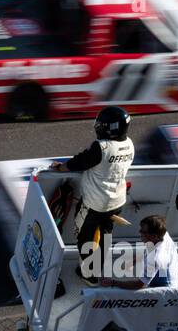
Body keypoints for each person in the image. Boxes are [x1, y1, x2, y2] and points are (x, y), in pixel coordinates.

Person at [48, 105, 134, 280]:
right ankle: (98, 267)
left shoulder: (101, 147)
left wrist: (60, 167)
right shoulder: (129, 144)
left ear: (110, 129)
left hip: (96, 204)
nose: (98, 127)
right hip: (118, 201)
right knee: (105, 236)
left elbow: (79, 162)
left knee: (84, 236)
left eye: (101, 125)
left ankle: (89, 274)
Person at [101, 214, 178, 289]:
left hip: (165, 292)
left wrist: (113, 282)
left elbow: (140, 285)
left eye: (143, 231)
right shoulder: (163, 234)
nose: (139, 232)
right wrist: (133, 261)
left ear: (154, 236)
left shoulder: (155, 259)